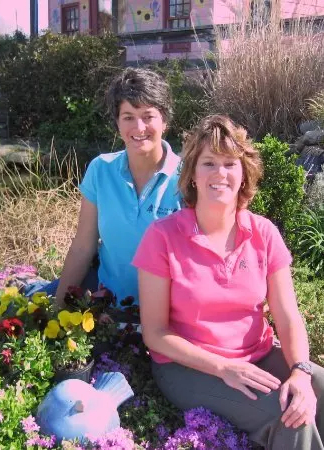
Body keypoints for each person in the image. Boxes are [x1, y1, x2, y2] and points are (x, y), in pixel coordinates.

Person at [133, 115, 324, 449]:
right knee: (291, 416)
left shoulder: (264, 233)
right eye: (208, 163)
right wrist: (223, 367)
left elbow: (287, 315)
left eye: (229, 164)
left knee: (313, 392)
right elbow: (155, 333)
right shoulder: (161, 238)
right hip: (189, 367)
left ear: (243, 173)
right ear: (192, 174)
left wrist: (300, 372)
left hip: (258, 356)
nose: (219, 173)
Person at [39, 67, 183, 311]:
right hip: (108, 306)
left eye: (148, 116)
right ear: (117, 123)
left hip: (166, 315)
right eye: (128, 117)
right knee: (23, 307)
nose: (139, 127)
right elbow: (84, 246)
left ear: (165, 120)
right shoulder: (100, 169)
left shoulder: (187, 177)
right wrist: (58, 311)